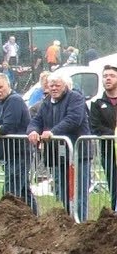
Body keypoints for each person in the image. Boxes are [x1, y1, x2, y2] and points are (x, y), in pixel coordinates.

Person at [28, 71, 91, 219]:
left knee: (78, 191)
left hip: (78, 152)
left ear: (65, 86)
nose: (54, 88)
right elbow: (37, 120)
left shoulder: (75, 98)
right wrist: (32, 131)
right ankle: (69, 219)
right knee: (62, 191)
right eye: (51, 85)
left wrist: (53, 132)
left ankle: (79, 222)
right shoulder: (47, 102)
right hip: (58, 155)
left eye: (57, 85)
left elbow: (74, 119)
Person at [0, 73, 33, 209]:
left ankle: (8, 221)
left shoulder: (15, 100)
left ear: (8, 85)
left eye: (0, 87)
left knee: (10, 192)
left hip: (19, 153)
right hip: (6, 154)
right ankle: (36, 220)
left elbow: (8, 127)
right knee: (23, 191)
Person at [88, 64, 117, 213]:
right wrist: (114, 133)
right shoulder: (97, 102)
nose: (108, 79)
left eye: (111, 76)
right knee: (114, 187)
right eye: (105, 76)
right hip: (109, 152)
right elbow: (95, 127)